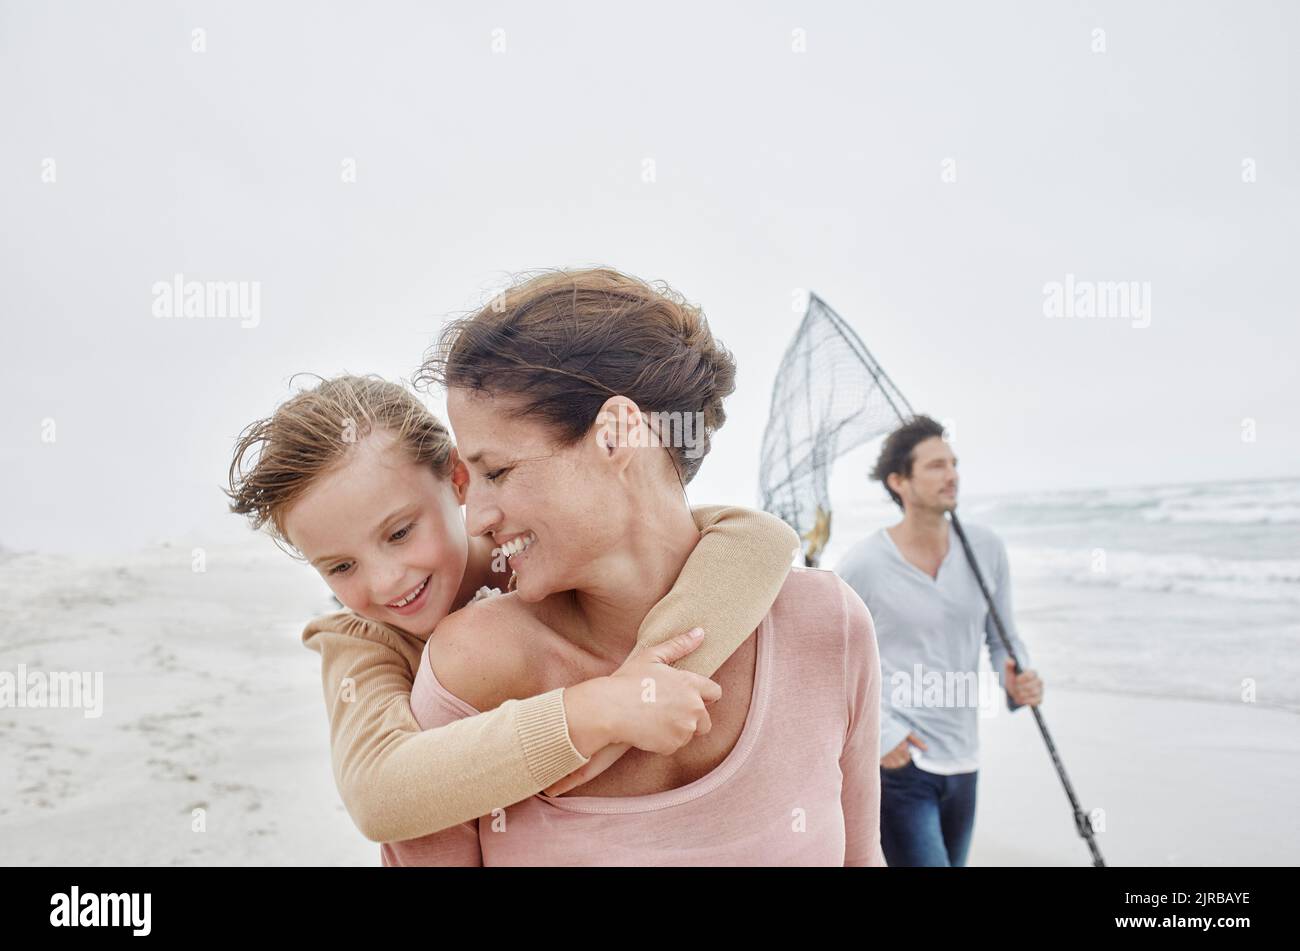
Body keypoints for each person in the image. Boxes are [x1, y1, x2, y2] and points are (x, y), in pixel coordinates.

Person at [385, 267, 884, 865]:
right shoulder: (471, 667)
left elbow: (864, 856)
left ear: (617, 435)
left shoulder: (828, 625)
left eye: (498, 472)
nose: (477, 518)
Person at [224, 374, 800, 844]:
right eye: (340, 568)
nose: (385, 581)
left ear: (456, 478)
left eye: (399, 532)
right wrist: (592, 714)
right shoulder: (364, 641)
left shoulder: (540, 552)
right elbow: (379, 795)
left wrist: (652, 682)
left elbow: (756, 537)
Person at [835, 415, 1043, 866]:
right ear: (899, 482)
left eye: (953, 463)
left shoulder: (985, 549)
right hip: (900, 760)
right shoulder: (865, 565)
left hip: (964, 755)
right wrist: (883, 735)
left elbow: (1003, 639)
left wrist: (1019, 680)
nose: (951, 475)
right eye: (934, 466)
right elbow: (829, 656)